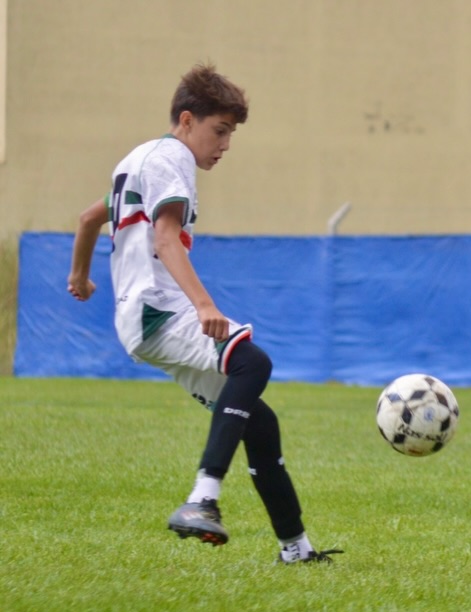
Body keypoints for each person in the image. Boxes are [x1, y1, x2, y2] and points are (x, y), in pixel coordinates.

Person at [66, 63, 341, 563]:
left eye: (231, 134)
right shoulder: (172, 159)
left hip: (139, 322)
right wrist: (204, 305)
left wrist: (79, 276)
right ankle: (202, 498)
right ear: (187, 120)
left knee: (258, 422)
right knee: (251, 363)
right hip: (159, 310)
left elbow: (88, 218)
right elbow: (167, 238)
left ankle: (295, 549)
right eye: (220, 130)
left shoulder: (139, 159)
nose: (225, 144)